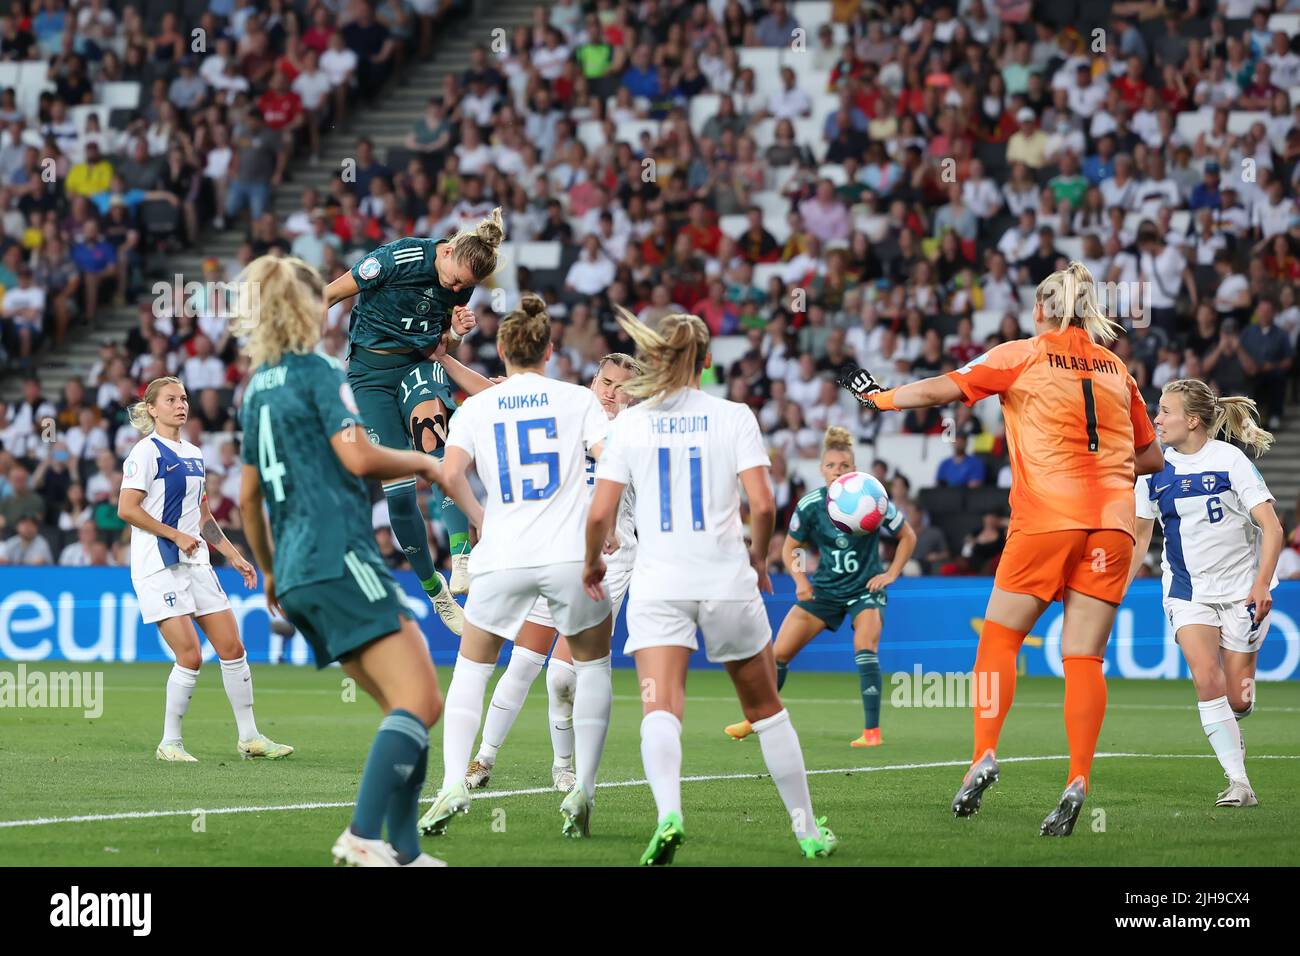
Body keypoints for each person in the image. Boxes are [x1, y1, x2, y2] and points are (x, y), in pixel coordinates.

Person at [842, 261, 1164, 835]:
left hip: (1047, 518)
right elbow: (1153, 458)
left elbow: (945, 387)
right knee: (1084, 658)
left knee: (1000, 638)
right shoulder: (1119, 370)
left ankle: (985, 753)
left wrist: (882, 400)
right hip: (1113, 524)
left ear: (1041, 310)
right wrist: (1107, 466)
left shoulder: (1023, 354)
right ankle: (1078, 778)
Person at [586, 309, 838, 864]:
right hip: (726, 579)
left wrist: (590, 565)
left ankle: (669, 813)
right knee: (767, 709)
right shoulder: (734, 415)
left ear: (656, 358)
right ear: (706, 362)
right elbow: (765, 504)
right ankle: (806, 831)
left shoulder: (629, 423)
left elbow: (600, 512)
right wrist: (760, 557)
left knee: (660, 708)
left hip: (659, 583)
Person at [236, 255, 449, 867]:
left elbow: (249, 496)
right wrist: (427, 462)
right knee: (420, 701)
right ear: (307, 308)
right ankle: (362, 835)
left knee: (404, 705)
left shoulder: (258, 389)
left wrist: (272, 571)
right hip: (337, 554)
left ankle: (404, 853)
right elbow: (357, 457)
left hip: (299, 573)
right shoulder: (320, 372)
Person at [418, 294, 616, 840]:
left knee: (471, 672)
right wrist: (608, 524)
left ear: (502, 348)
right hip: (570, 557)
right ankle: (582, 790)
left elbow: (449, 474)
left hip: (501, 557)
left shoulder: (480, 407)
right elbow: (612, 458)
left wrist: (482, 518)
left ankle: (453, 785)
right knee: (593, 669)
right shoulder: (579, 399)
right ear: (550, 350)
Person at [464, 352, 640, 793]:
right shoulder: (574, 407)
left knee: (562, 675)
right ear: (594, 378)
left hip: (609, 561)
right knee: (522, 663)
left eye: (621, 386)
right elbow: (496, 395)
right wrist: (447, 358)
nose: (610, 392)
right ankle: (483, 759)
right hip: (557, 548)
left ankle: (563, 766)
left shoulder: (639, 430)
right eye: (605, 381)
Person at [323, 209, 502, 616]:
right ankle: (434, 590)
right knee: (400, 499)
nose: (458, 287)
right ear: (449, 249)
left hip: (417, 366)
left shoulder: (460, 283)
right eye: (457, 278)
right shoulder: (397, 259)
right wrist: (310, 355)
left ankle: (461, 555)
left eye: (466, 286)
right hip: (370, 375)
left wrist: (456, 332)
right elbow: (329, 295)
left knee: (434, 439)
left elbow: (440, 346)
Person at [117, 376, 292, 763]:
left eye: (183, 398)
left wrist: (232, 554)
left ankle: (250, 738)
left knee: (233, 648)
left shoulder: (194, 453)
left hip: (196, 563)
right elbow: (126, 509)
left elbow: (204, 515)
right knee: (191, 655)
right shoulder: (144, 453)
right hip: (158, 566)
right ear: (151, 408)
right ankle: (170, 742)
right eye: (171, 399)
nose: (180, 405)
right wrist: (175, 536)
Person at [1127, 380, 1283, 808]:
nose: (1155, 419)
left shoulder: (1230, 461)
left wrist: (1260, 584)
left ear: (1192, 420)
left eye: (1165, 411)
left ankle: (1237, 716)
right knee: (1205, 678)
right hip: (1185, 591)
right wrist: (1112, 588)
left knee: (1237, 698)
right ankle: (1240, 783)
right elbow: (1140, 537)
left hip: (1242, 592)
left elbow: (1272, 527)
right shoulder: (1152, 470)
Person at [724, 426, 916, 746]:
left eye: (844, 466)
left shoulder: (872, 495)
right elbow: (789, 548)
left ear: (854, 469)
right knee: (777, 655)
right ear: (821, 469)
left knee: (865, 648)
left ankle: (872, 733)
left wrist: (891, 573)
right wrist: (800, 579)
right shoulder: (812, 504)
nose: (837, 472)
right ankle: (754, 719)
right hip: (824, 590)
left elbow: (907, 536)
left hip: (864, 589)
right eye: (831, 466)